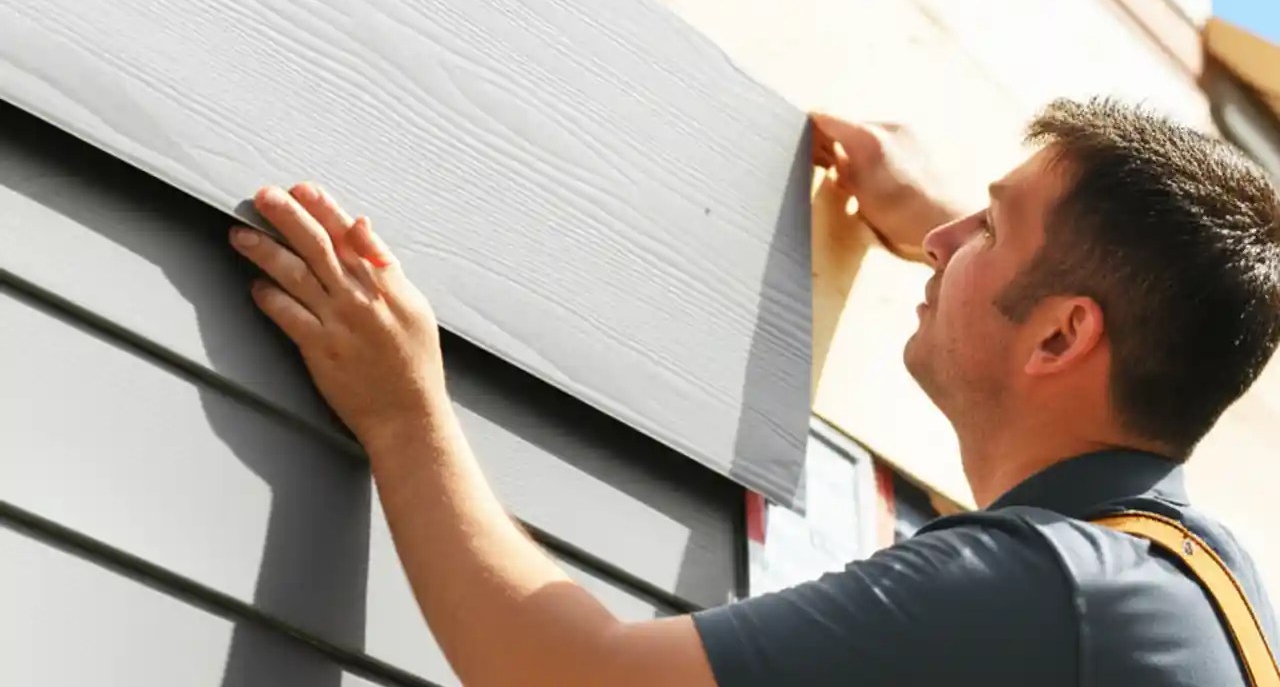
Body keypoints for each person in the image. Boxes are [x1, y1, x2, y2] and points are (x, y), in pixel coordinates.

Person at [228, 96, 1280, 685]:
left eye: (987, 231)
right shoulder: (1191, 588)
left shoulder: (1038, 594)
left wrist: (402, 405)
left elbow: (570, 678)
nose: (941, 242)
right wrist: (960, 228)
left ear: (1060, 335)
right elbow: (1060, 312)